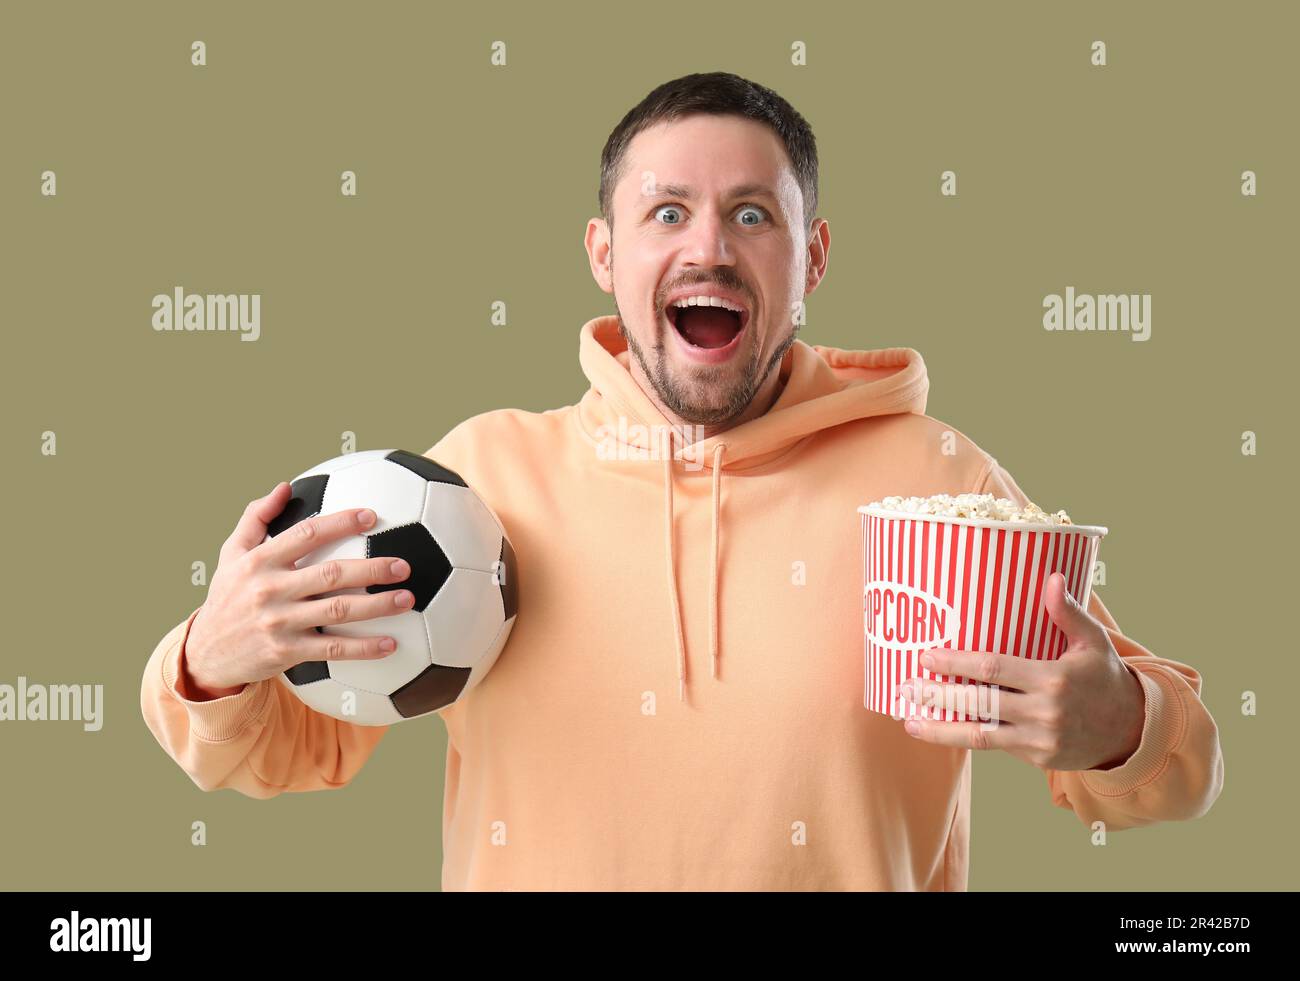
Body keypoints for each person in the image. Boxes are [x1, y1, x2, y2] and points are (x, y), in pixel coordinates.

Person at [140, 71, 1224, 890]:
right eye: (667, 213)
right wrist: (207, 661)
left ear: (812, 259)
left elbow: (1169, 776)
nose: (709, 248)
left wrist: (1123, 725)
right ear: (605, 254)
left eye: (753, 214)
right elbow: (291, 753)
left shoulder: (938, 480)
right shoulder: (474, 482)